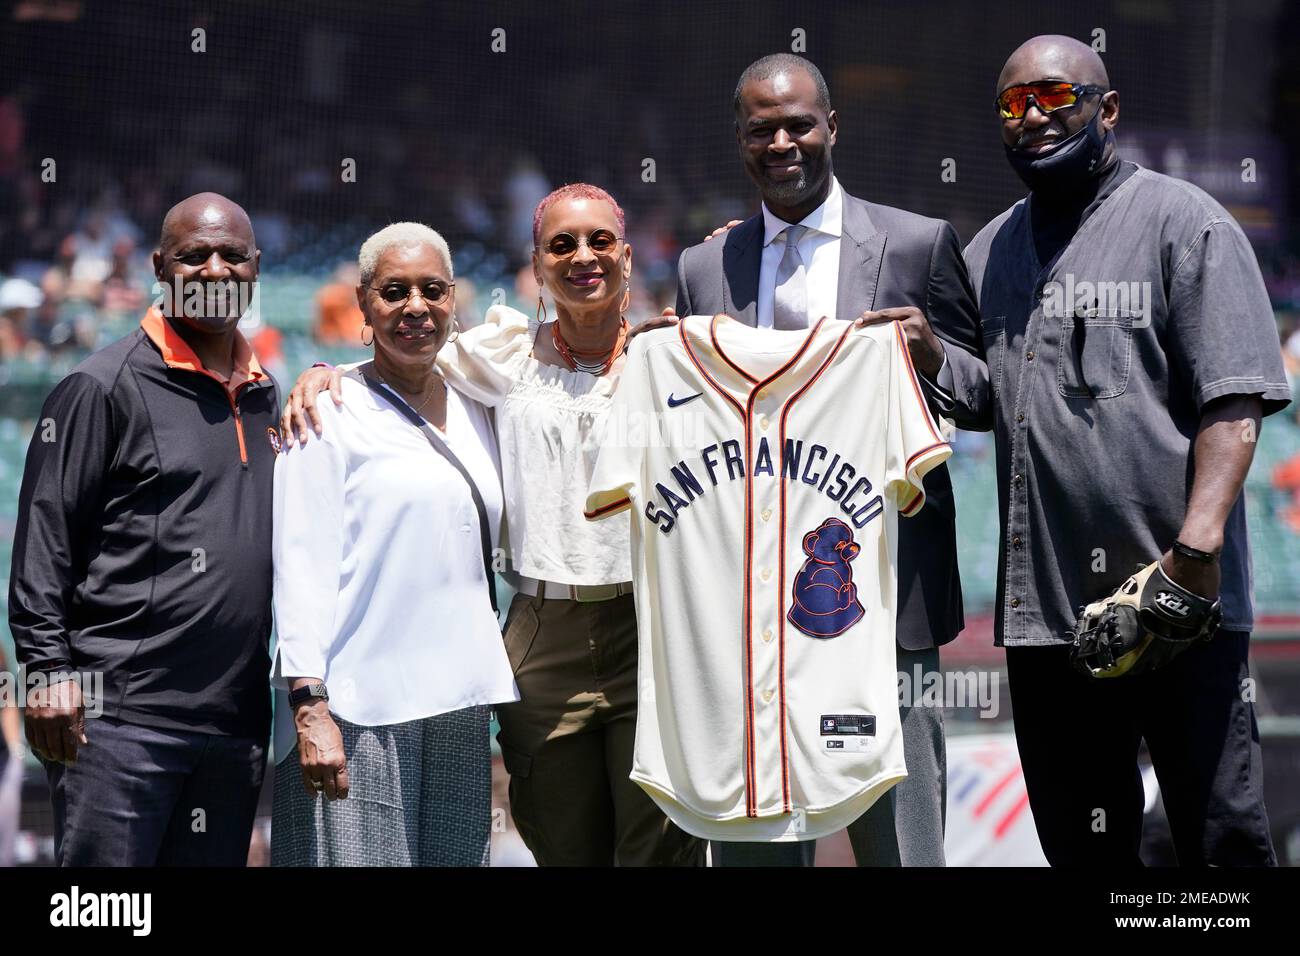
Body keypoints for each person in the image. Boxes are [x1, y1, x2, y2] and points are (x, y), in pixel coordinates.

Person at [891, 35, 1289, 865]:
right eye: (1012, 104)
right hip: (1048, 620)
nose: (1032, 116)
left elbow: (1237, 394)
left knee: (1220, 844)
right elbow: (979, 403)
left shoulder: (1185, 221)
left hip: (1178, 602)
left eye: (1053, 96)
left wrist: (1197, 550)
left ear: (1106, 109)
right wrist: (931, 355)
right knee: (1083, 848)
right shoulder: (990, 247)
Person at [281, 186, 704, 867]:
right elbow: (401, 352)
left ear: (628, 256)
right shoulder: (496, 359)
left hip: (654, 629)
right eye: (561, 245)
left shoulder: (681, 359)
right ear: (536, 268)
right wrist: (322, 373)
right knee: (563, 845)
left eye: (599, 241)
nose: (583, 257)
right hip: (542, 633)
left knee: (661, 851)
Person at [672, 53, 983, 866]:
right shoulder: (706, 266)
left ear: (832, 127)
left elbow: (991, 395)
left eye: (799, 123)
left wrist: (933, 354)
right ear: (740, 141)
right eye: (760, 129)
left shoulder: (918, 244)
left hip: (884, 593)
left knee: (903, 847)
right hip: (745, 607)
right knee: (758, 844)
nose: (782, 142)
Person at [8, 192, 279, 866]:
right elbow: (45, 541)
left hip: (234, 723)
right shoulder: (101, 386)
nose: (214, 269)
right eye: (194, 255)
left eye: (231, 255)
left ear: (255, 267)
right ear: (161, 266)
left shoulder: (269, 394)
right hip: (122, 725)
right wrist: (45, 671)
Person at [271, 223, 517, 866]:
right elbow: (299, 563)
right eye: (394, 291)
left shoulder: (479, 401)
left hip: (459, 704)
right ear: (363, 303)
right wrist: (308, 704)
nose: (415, 306)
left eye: (432, 290)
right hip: (356, 703)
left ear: (454, 299)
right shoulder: (324, 411)